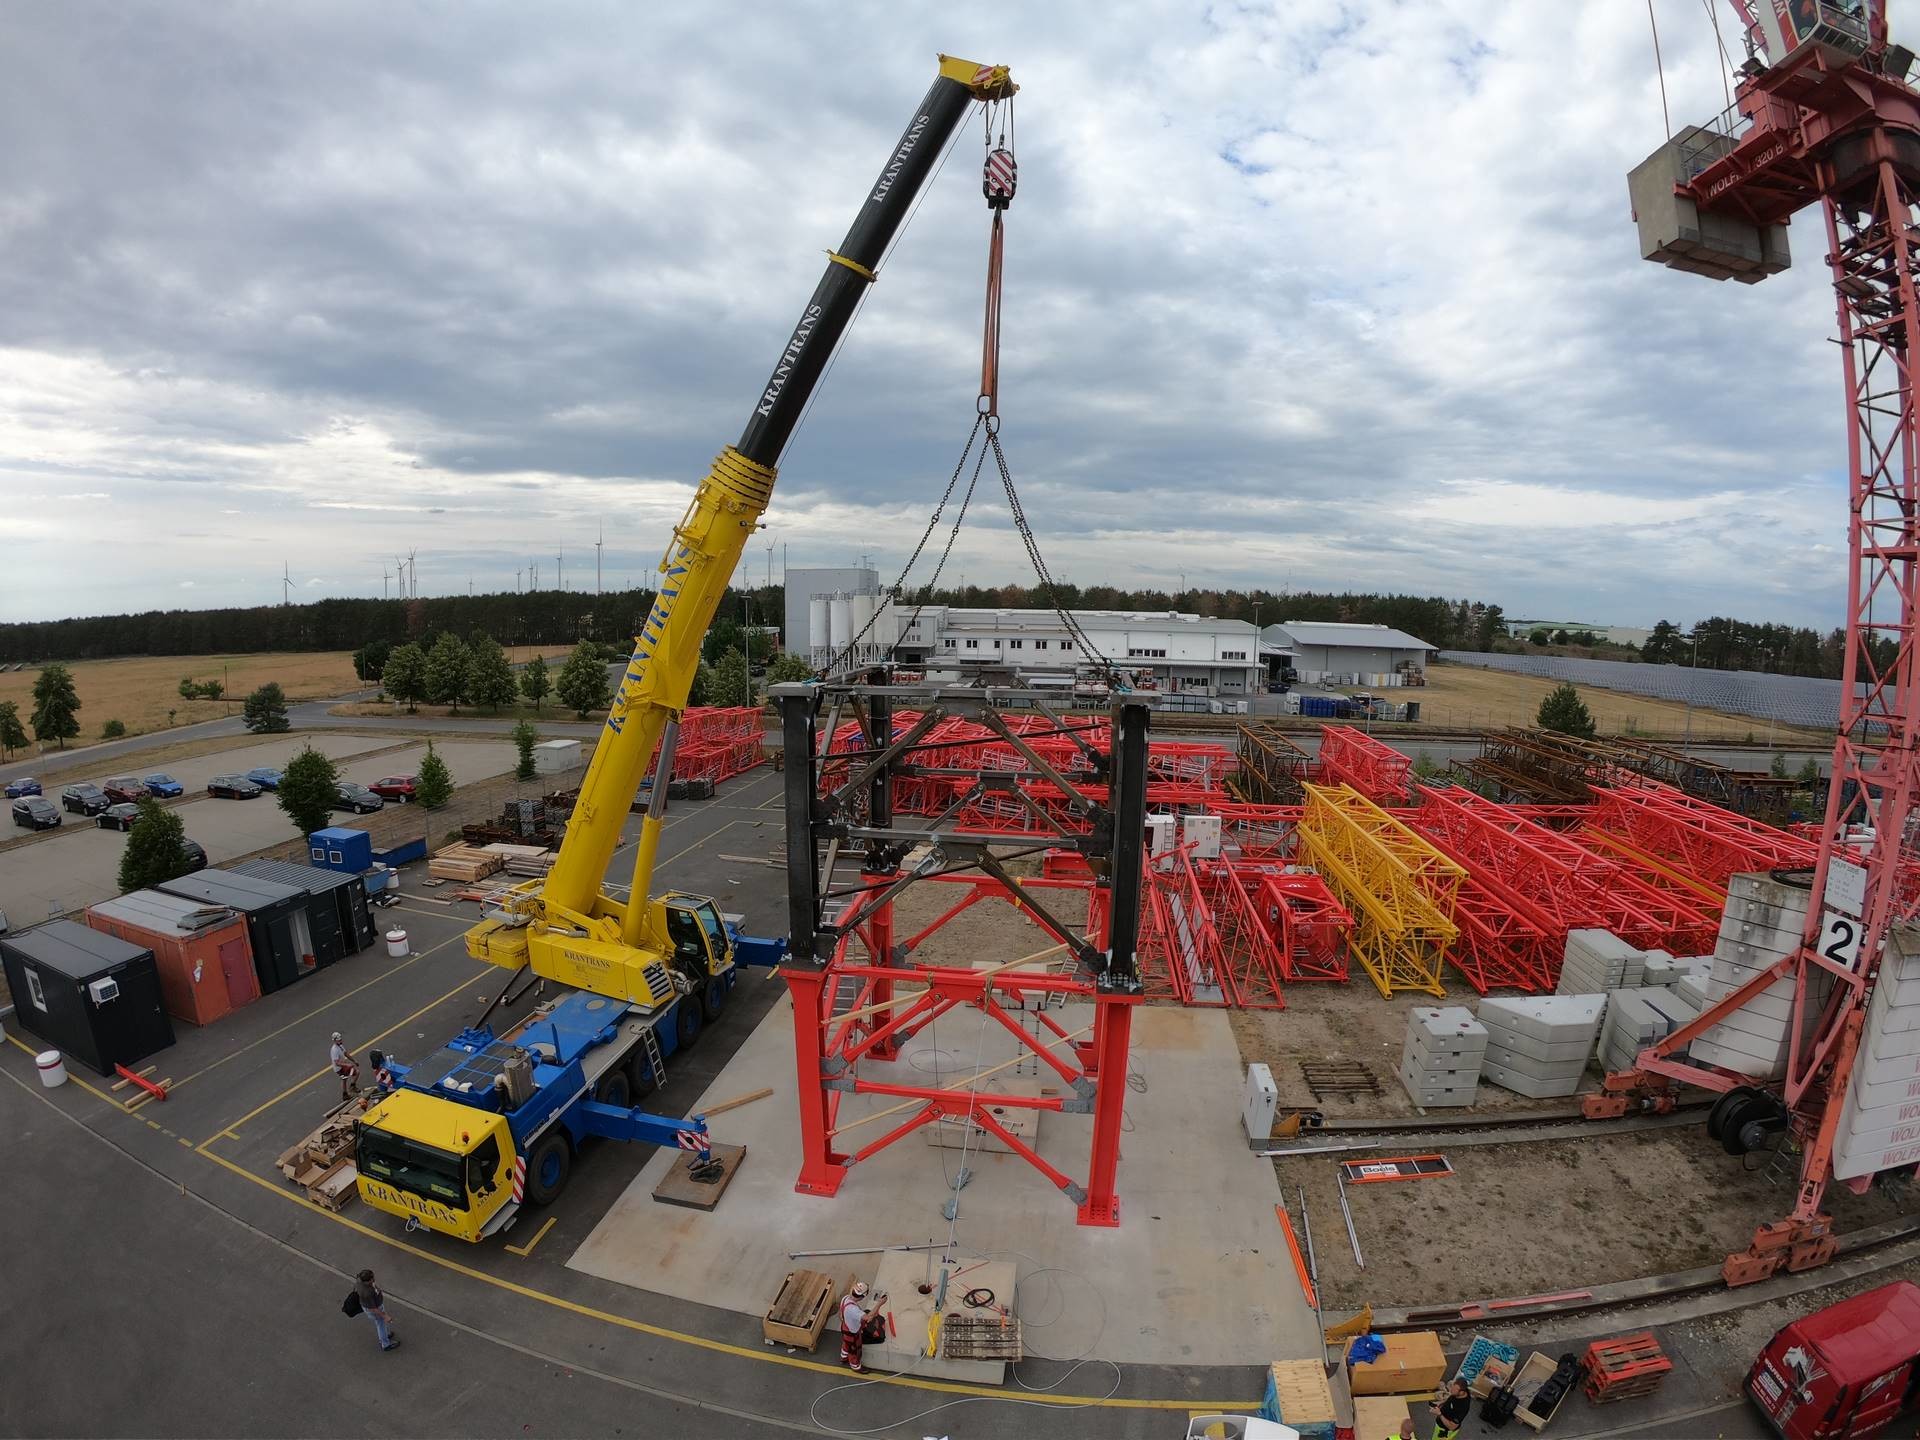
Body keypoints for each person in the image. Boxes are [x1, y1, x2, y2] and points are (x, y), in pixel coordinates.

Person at [837, 1281, 886, 1372]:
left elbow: (840, 1314)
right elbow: (868, 1318)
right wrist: (880, 1303)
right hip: (852, 1333)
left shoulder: (845, 1298)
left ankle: (843, 1357)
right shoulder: (854, 1310)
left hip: (845, 1327)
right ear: (862, 1297)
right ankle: (855, 1366)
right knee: (855, 1350)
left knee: (846, 1343)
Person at [355, 1268, 399, 1352]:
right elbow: (372, 1308)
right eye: (371, 1279)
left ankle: (386, 1335)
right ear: (366, 1281)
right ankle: (385, 1344)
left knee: (381, 1323)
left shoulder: (359, 1280)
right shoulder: (367, 1292)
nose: (373, 1279)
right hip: (375, 1309)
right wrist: (385, 1316)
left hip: (375, 1305)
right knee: (381, 1324)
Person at [330, 1032, 359, 1104]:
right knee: (349, 1076)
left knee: (350, 1076)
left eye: (340, 1040)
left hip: (343, 1066)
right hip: (339, 1068)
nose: (340, 1041)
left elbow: (346, 1054)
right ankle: (348, 1091)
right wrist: (347, 1065)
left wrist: (354, 1061)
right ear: (334, 1041)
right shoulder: (334, 1050)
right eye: (338, 1040)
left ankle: (349, 1090)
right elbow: (336, 1062)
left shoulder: (340, 1046)